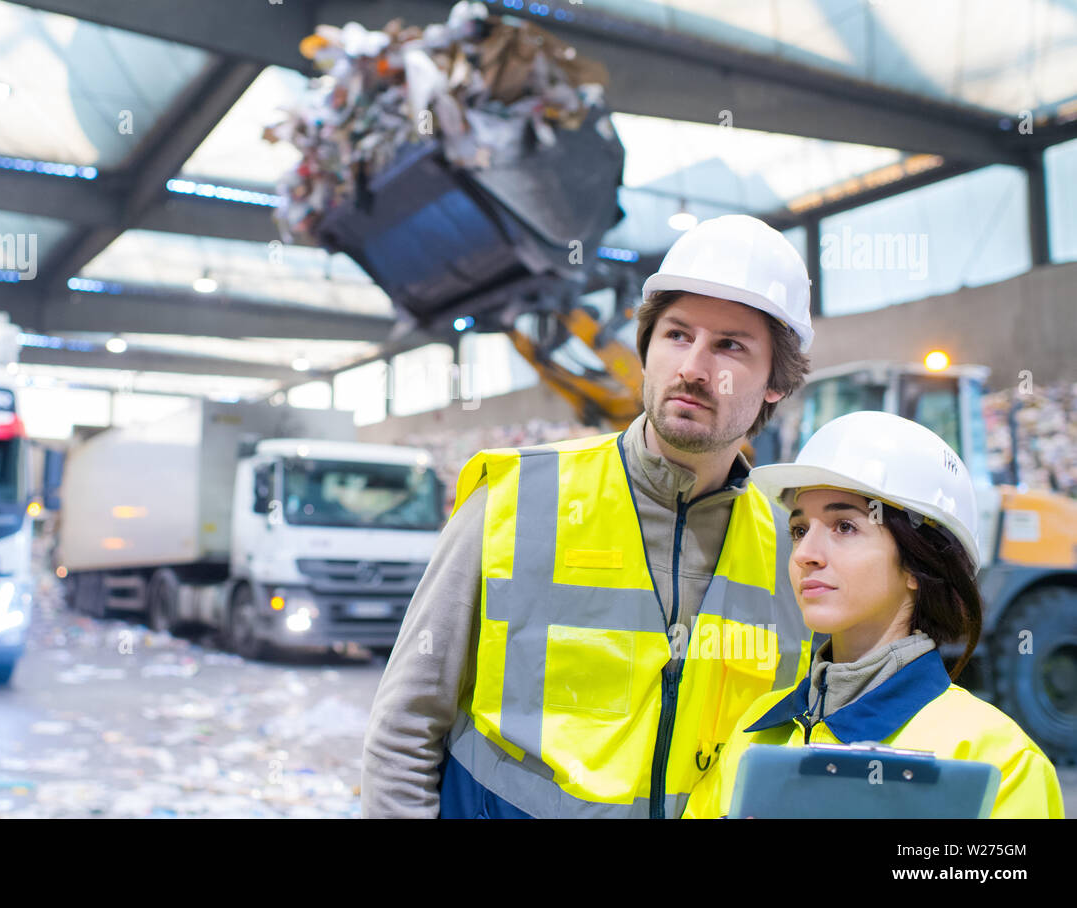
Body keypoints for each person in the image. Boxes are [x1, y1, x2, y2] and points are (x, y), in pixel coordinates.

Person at [361, 214, 817, 818]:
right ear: (647, 348)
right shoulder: (517, 499)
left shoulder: (794, 552)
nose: (694, 368)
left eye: (730, 346)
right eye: (678, 335)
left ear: (775, 385)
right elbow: (404, 727)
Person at [684, 410, 1065, 818]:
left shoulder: (998, 760)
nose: (806, 555)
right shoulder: (753, 733)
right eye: (799, 530)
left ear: (920, 564)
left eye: (844, 526)